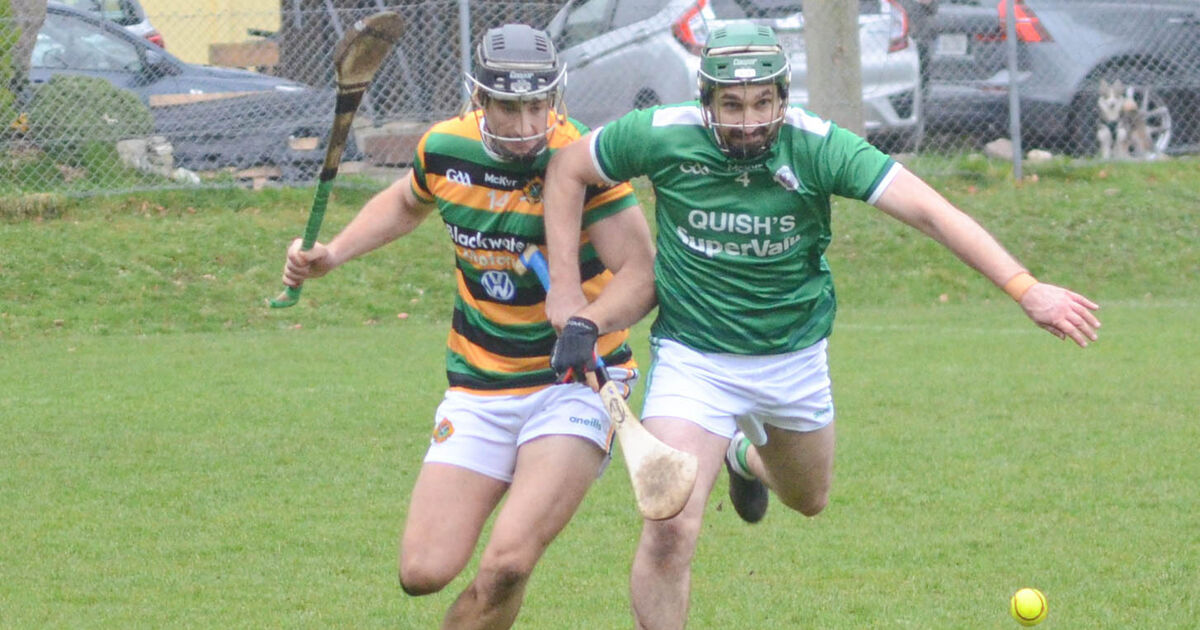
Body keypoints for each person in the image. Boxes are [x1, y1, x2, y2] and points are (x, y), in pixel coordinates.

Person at [541, 22, 1100, 628]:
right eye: (731, 104)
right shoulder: (661, 134)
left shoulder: (817, 146)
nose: (749, 120)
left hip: (792, 357)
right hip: (694, 357)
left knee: (809, 499)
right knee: (670, 528)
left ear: (782, 97)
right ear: (706, 100)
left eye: (762, 103)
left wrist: (1025, 288)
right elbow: (569, 168)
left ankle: (740, 458)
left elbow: (930, 212)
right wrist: (569, 293)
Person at [279, 24, 654, 630]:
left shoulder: (581, 157)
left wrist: (589, 320)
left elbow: (641, 273)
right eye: (510, 106)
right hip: (479, 384)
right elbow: (406, 201)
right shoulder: (446, 149)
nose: (529, 122)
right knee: (422, 570)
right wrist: (334, 253)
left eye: (540, 104)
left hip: (574, 384)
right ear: (479, 100)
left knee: (507, 561)